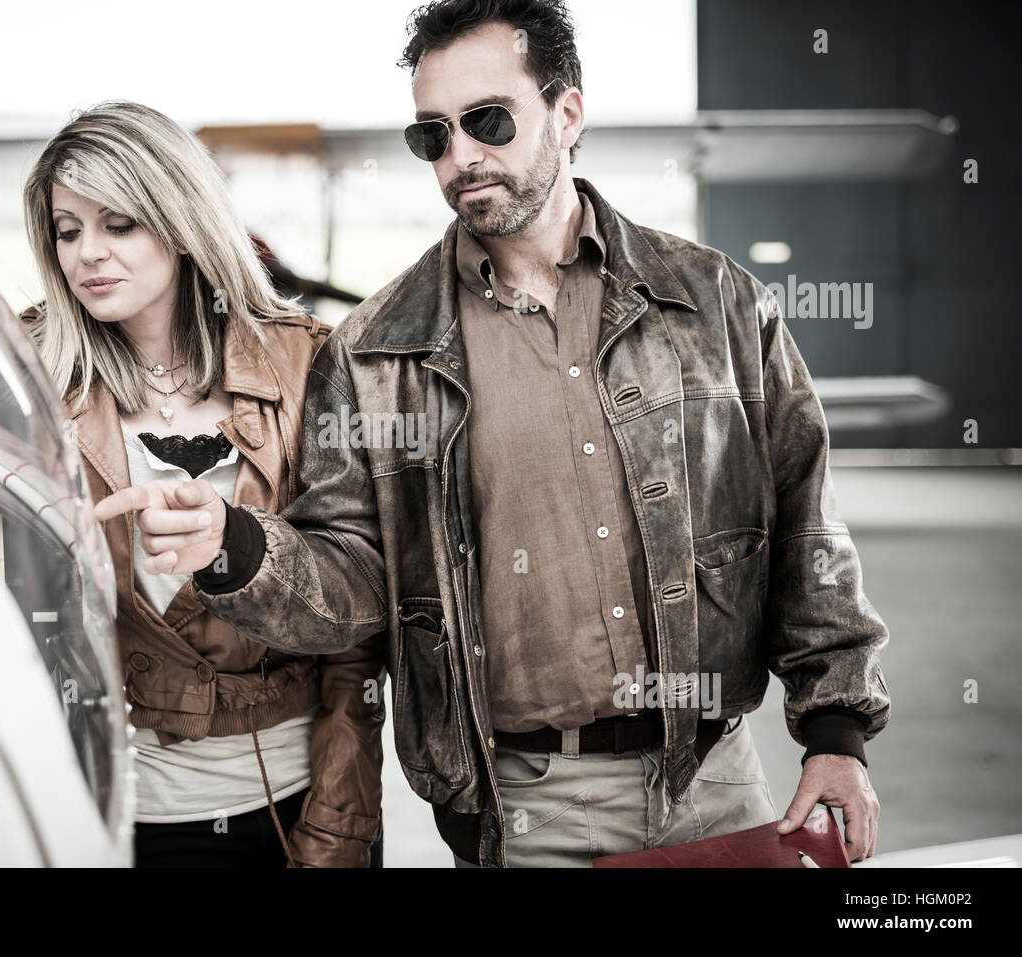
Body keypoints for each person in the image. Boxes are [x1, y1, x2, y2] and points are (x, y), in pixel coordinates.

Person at [95, 0, 889, 868]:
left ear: (568, 113)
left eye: (488, 121)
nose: (461, 156)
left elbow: (807, 522)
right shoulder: (372, 352)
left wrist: (836, 732)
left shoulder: (719, 303)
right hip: (526, 808)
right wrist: (231, 542)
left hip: (716, 778)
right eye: (432, 135)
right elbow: (354, 576)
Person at [21, 101, 385, 867]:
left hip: (282, 805)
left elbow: (359, 624)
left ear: (181, 223)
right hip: (105, 815)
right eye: (68, 229)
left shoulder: (308, 365)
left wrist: (339, 825)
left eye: (118, 223)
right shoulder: (28, 375)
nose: (88, 253)